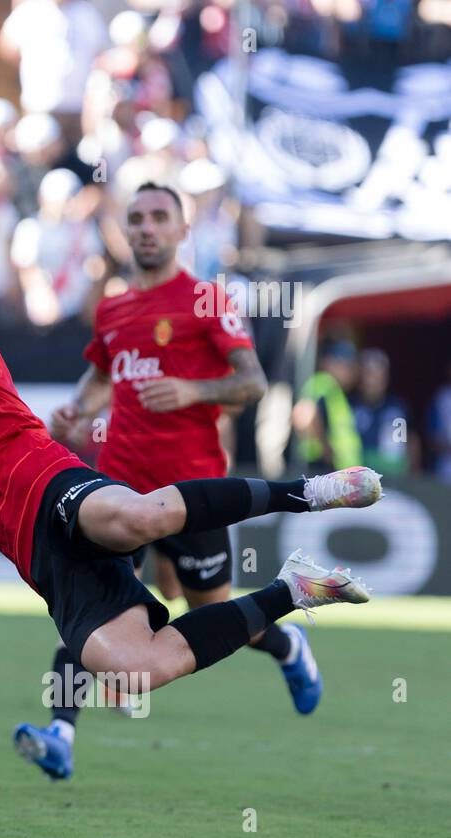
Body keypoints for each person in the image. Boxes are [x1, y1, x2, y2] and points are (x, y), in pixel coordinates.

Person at [0, 176, 381, 760]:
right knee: (137, 670)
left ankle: (309, 493)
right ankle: (293, 590)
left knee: (138, 522)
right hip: (49, 566)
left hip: (59, 489)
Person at [20, 183, 319, 782]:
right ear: (125, 231)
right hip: (119, 490)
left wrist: (193, 390)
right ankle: (60, 734)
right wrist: (80, 407)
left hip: (192, 496)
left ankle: (287, 647)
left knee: (210, 613)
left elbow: (253, 383)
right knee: (88, 608)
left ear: (184, 231)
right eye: (136, 219)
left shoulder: (207, 300)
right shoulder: (113, 307)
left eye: (160, 217)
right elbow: (104, 372)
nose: (147, 228)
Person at [293, 339, 362, 473]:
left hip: (339, 470)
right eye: (344, 365)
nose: (350, 372)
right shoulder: (322, 383)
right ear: (328, 363)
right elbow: (303, 414)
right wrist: (326, 450)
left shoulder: (336, 390)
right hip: (321, 467)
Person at [351, 348, 413, 476]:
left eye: (379, 375)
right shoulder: (348, 405)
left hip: (394, 479)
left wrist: (412, 473)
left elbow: (412, 442)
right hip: (357, 480)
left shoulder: (397, 407)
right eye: (369, 374)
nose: (373, 381)